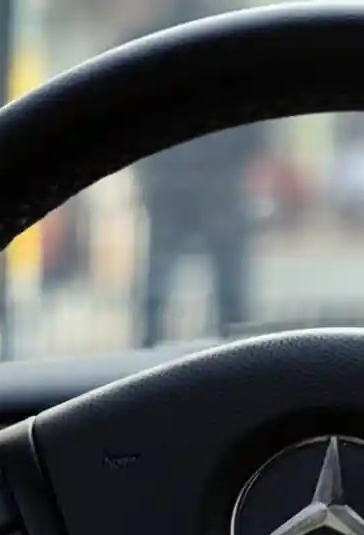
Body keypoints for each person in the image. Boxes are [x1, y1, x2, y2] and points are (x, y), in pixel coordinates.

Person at [129, 0, 266, 345]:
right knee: (227, 296)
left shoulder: (151, 39)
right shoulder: (237, 42)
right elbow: (257, 129)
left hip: (177, 181)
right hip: (210, 182)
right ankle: (236, 356)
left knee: (158, 288)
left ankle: (145, 358)